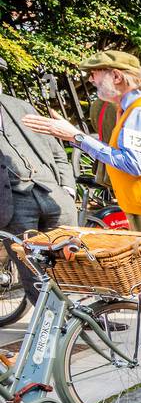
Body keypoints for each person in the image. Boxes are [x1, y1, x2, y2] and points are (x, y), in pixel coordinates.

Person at [22, 50, 141, 354]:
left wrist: (77, 138)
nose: (91, 80)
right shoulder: (130, 110)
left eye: (96, 74)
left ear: (117, 76)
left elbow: (134, 165)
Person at [0, 87, 77, 304]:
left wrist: (67, 190)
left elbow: (57, 153)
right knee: (32, 269)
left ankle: (84, 316)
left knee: (72, 262)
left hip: (52, 194)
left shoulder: (21, 106)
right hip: (12, 204)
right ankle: (52, 323)